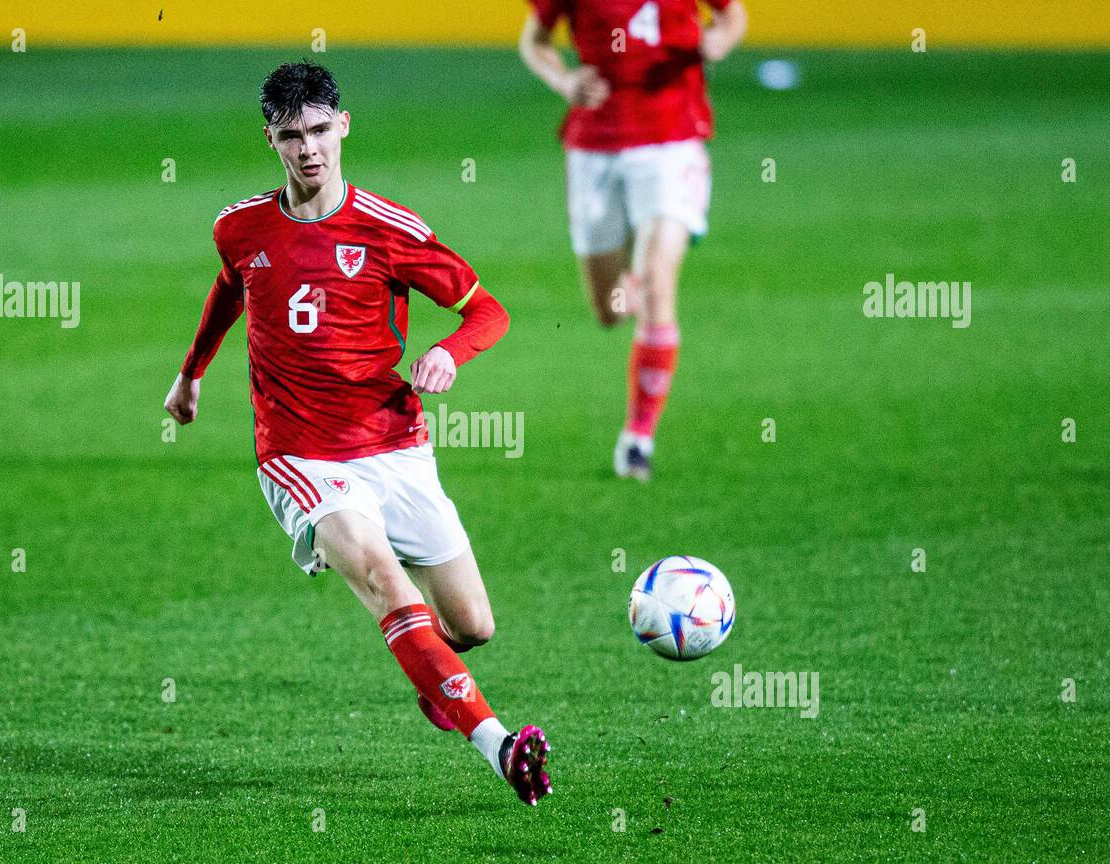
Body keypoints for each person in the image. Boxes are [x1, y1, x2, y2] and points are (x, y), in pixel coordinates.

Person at [163, 61, 552, 805]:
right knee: (380, 576)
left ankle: (439, 680)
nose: (307, 149)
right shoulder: (239, 227)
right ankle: (500, 747)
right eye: (289, 136)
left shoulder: (389, 229)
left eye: (318, 130)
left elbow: (488, 311)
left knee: (471, 626)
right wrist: (191, 374)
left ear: (343, 126)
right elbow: (229, 287)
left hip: (395, 445)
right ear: (271, 141)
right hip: (299, 455)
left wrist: (446, 351)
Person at [520, 0, 747, 480]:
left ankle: (638, 438)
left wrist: (720, 40)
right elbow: (534, 42)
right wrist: (565, 81)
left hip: (671, 141)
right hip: (594, 148)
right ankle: (632, 278)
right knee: (610, 309)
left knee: (657, 284)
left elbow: (733, 14)